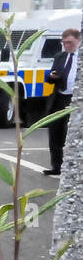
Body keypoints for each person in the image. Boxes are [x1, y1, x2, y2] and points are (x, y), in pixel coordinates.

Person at [44, 27, 79, 177]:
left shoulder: (80, 57)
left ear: (79, 40)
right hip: (59, 97)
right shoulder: (60, 56)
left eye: (70, 43)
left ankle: (74, 166)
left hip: (75, 98)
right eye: (64, 43)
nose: (67, 46)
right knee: (55, 132)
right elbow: (50, 77)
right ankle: (56, 165)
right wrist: (52, 77)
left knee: (72, 134)